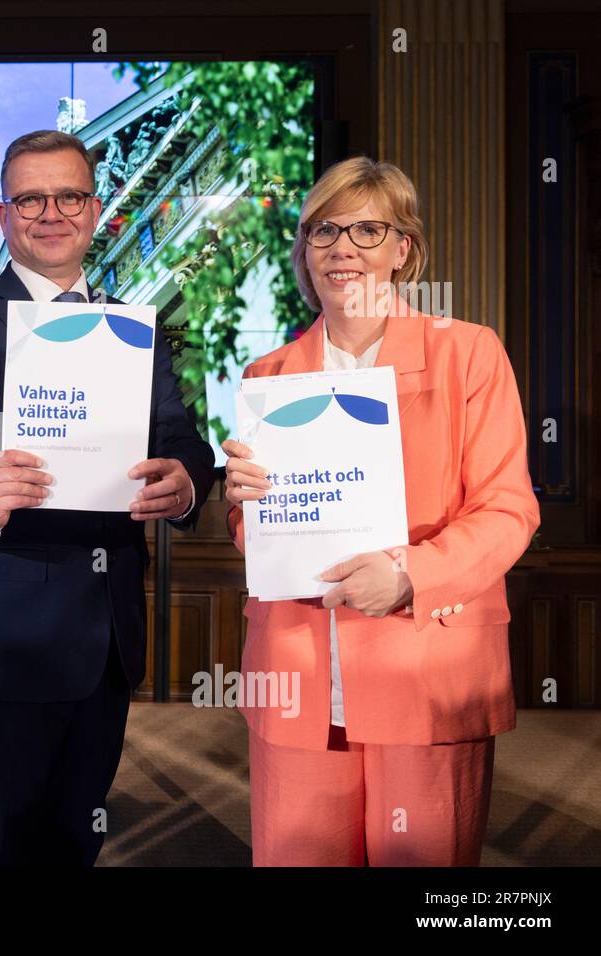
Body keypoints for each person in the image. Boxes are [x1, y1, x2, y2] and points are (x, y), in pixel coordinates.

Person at [0, 130, 215, 866]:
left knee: (72, 848)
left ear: (96, 209)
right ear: (3, 217)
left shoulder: (137, 327)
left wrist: (185, 480)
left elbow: (182, 437)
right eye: (30, 198)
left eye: (68, 195)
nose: (51, 212)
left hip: (103, 639)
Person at [221, 156, 539, 866]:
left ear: (403, 250)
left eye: (368, 229)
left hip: (424, 661)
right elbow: (256, 532)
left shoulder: (470, 353)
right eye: (324, 230)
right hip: (300, 668)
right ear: (304, 251)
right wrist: (242, 504)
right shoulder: (267, 374)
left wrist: (410, 576)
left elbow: (509, 508)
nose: (343, 247)